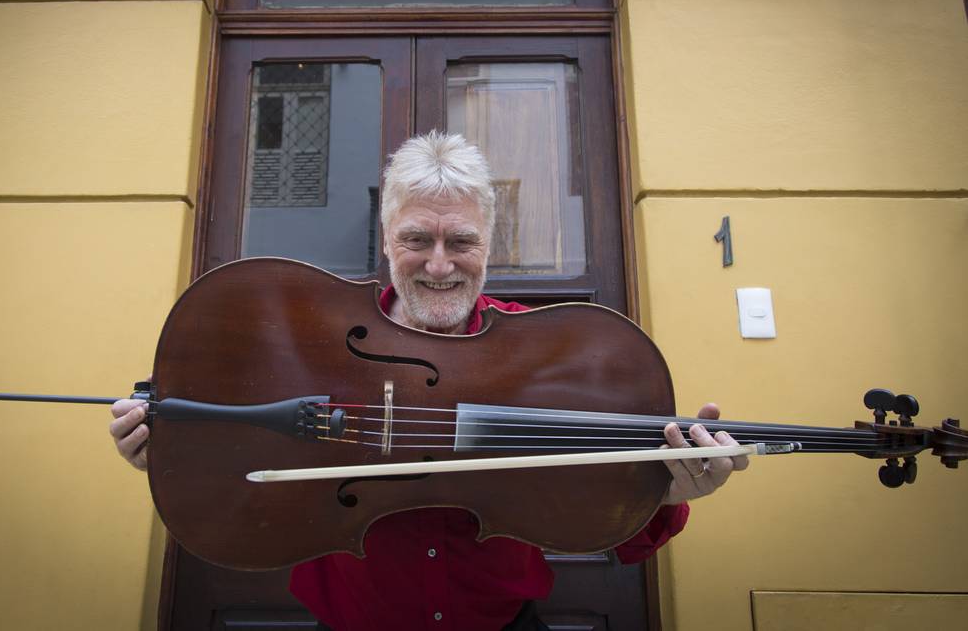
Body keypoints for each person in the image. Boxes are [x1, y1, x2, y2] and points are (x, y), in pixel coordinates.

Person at [109, 131, 748, 630]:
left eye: (460, 242)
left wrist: (666, 491)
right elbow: (241, 464)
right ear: (387, 240)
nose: (439, 266)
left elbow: (605, 509)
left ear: (489, 243)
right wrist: (175, 453)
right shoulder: (314, 343)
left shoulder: (546, 350)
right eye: (417, 239)